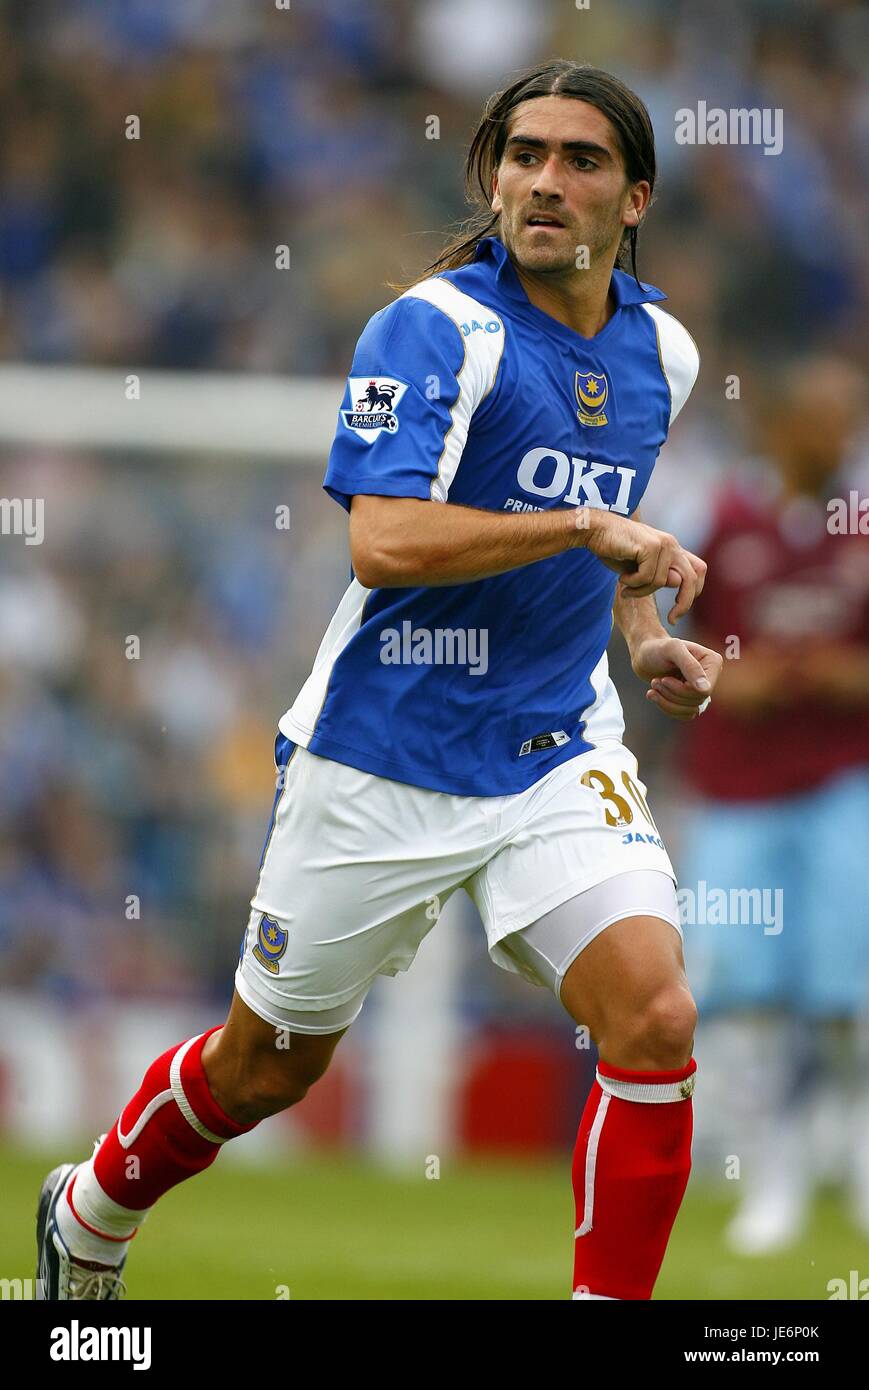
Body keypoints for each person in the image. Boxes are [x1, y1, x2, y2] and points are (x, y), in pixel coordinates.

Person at [37, 59, 721, 1302]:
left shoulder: (659, 353)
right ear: (491, 176)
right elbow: (384, 540)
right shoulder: (436, 327)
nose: (543, 181)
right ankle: (90, 1209)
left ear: (636, 199)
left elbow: (604, 521)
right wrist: (581, 536)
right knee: (265, 1068)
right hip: (382, 756)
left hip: (552, 749)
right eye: (522, 156)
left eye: (579, 160)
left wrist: (640, 631)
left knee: (656, 1018)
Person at [676, 354, 869, 1253]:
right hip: (739, 788)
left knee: (845, 994)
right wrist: (718, 674)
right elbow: (671, 631)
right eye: (827, 415)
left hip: (842, 780)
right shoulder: (724, 516)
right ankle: (770, 1178)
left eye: (849, 416)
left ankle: (857, 1163)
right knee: (746, 992)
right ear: (785, 425)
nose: (842, 434)